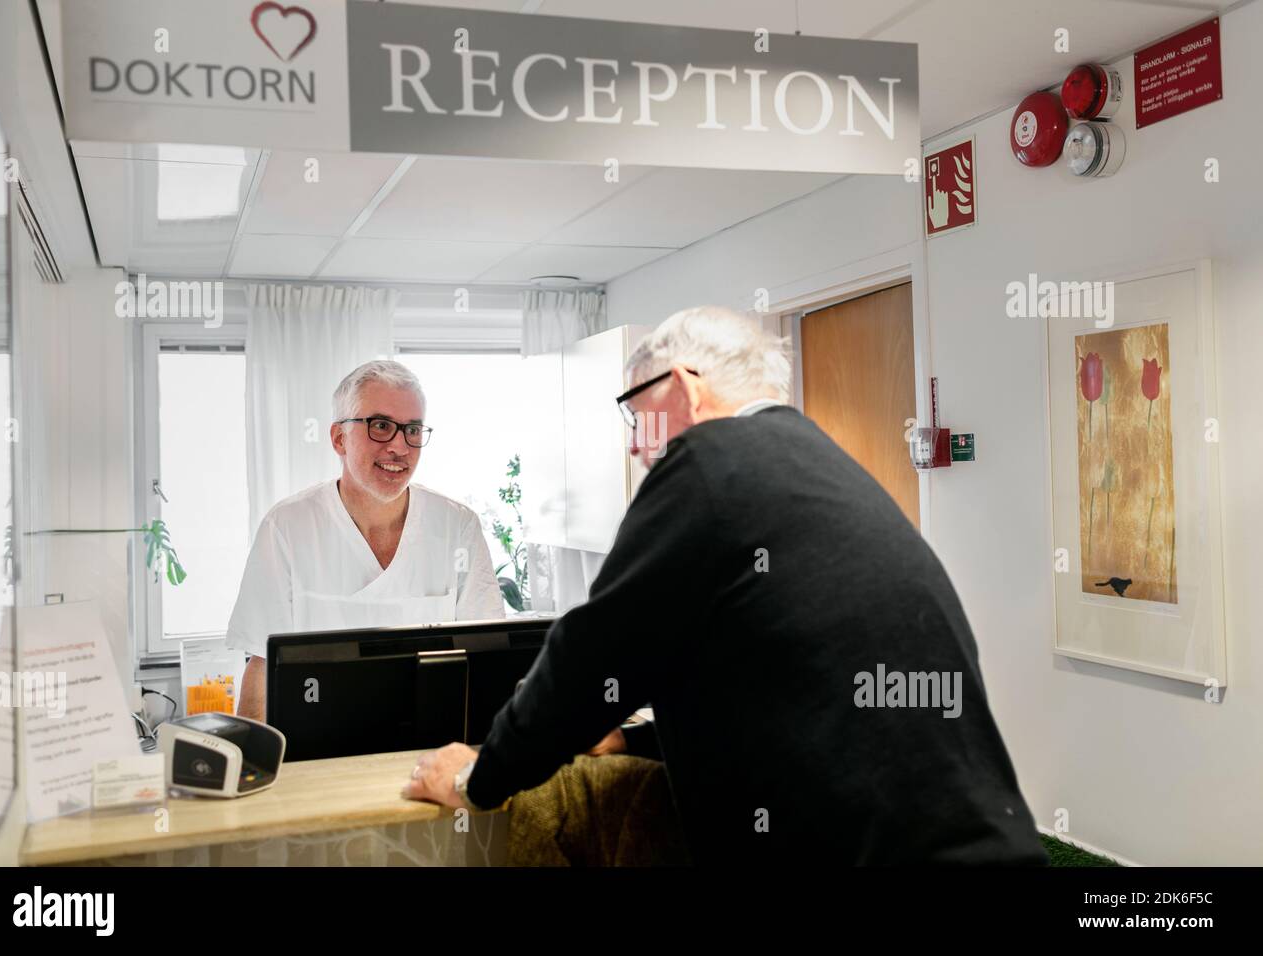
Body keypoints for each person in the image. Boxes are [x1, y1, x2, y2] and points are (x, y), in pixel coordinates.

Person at [404, 307, 1046, 865]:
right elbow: (791, 687)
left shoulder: (709, 460)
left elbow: (595, 650)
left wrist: (476, 778)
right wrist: (630, 737)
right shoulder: (816, 463)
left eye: (635, 414)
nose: (635, 447)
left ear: (683, 387)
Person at [227, 360, 504, 721]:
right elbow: (261, 667)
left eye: (413, 430)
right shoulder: (287, 527)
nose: (400, 447)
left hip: (427, 755)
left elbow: (488, 660)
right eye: (381, 426)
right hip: (317, 754)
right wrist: (253, 770)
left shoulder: (458, 526)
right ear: (339, 438)